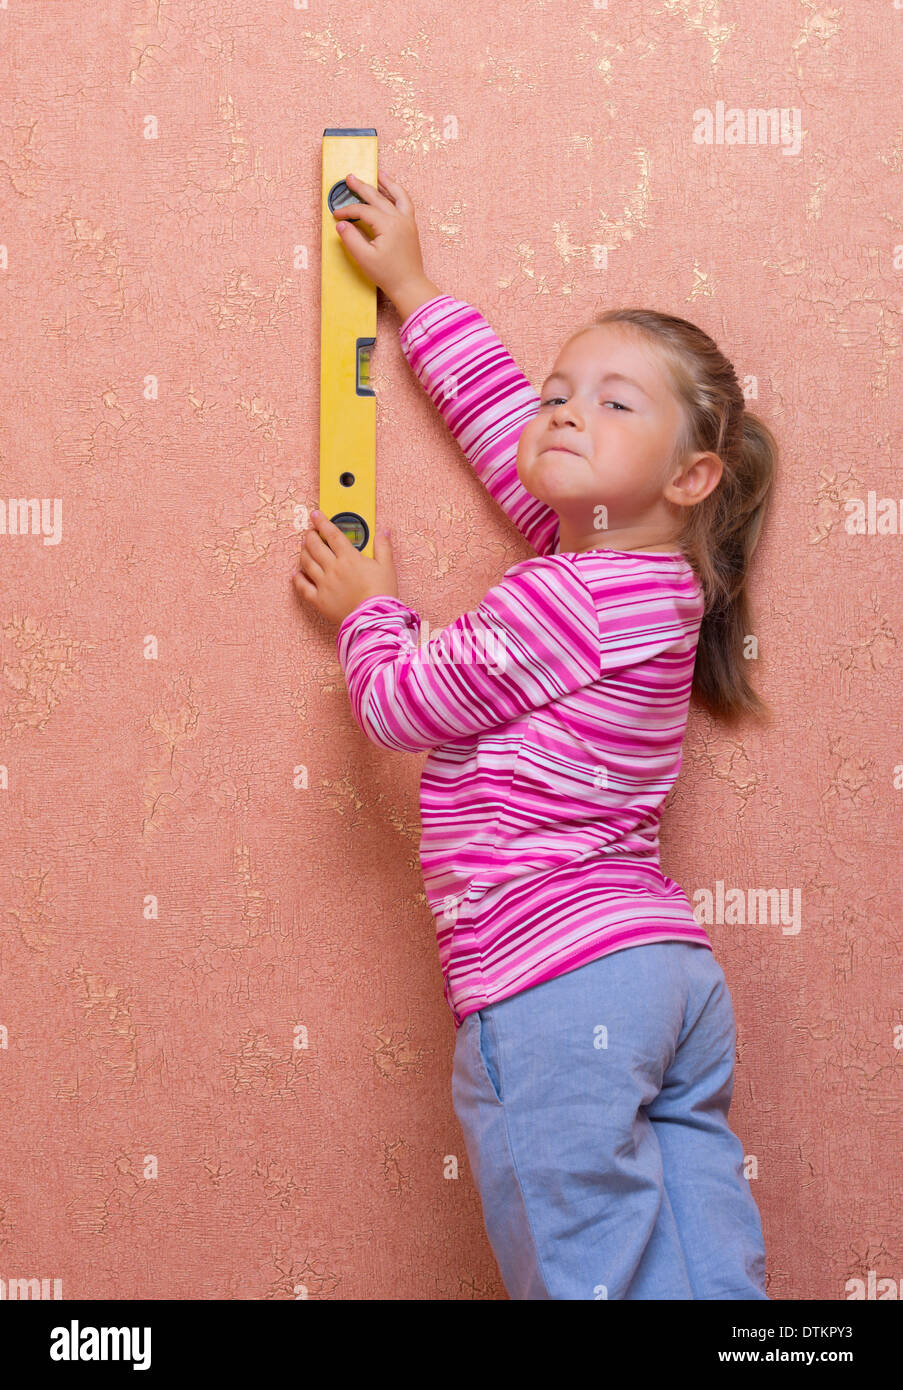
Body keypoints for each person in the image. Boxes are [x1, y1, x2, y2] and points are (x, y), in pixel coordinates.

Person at [293, 172, 777, 1301]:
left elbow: (403, 702)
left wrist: (369, 606)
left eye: (614, 404)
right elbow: (511, 438)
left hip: (556, 984)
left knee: (586, 1272)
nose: (563, 411)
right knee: (705, 1269)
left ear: (691, 475)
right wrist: (414, 290)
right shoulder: (650, 584)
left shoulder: (560, 601)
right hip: (665, 979)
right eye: (562, 392)